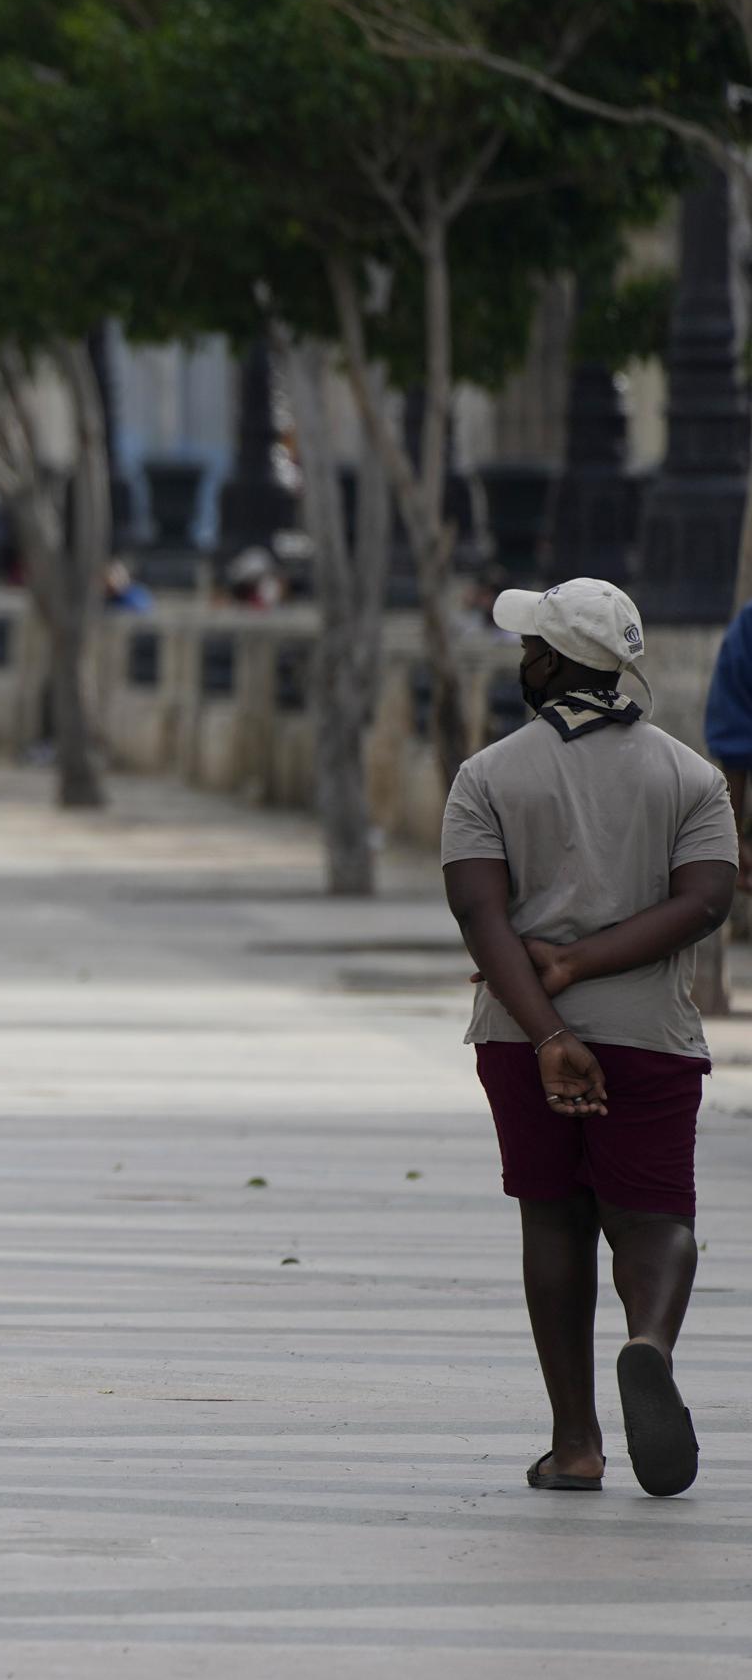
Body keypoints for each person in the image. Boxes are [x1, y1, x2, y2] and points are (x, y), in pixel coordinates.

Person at [443, 577, 732, 1498]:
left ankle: (575, 1446)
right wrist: (586, 964)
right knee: (657, 1217)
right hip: (651, 1035)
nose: (522, 657)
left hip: (520, 1037)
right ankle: (649, 1341)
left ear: (551, 662)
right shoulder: (692, 777)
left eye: (531, 644)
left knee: (554, 1217)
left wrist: (548, 1026)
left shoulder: (488, 775)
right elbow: (707, 901)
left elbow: (479, 913)